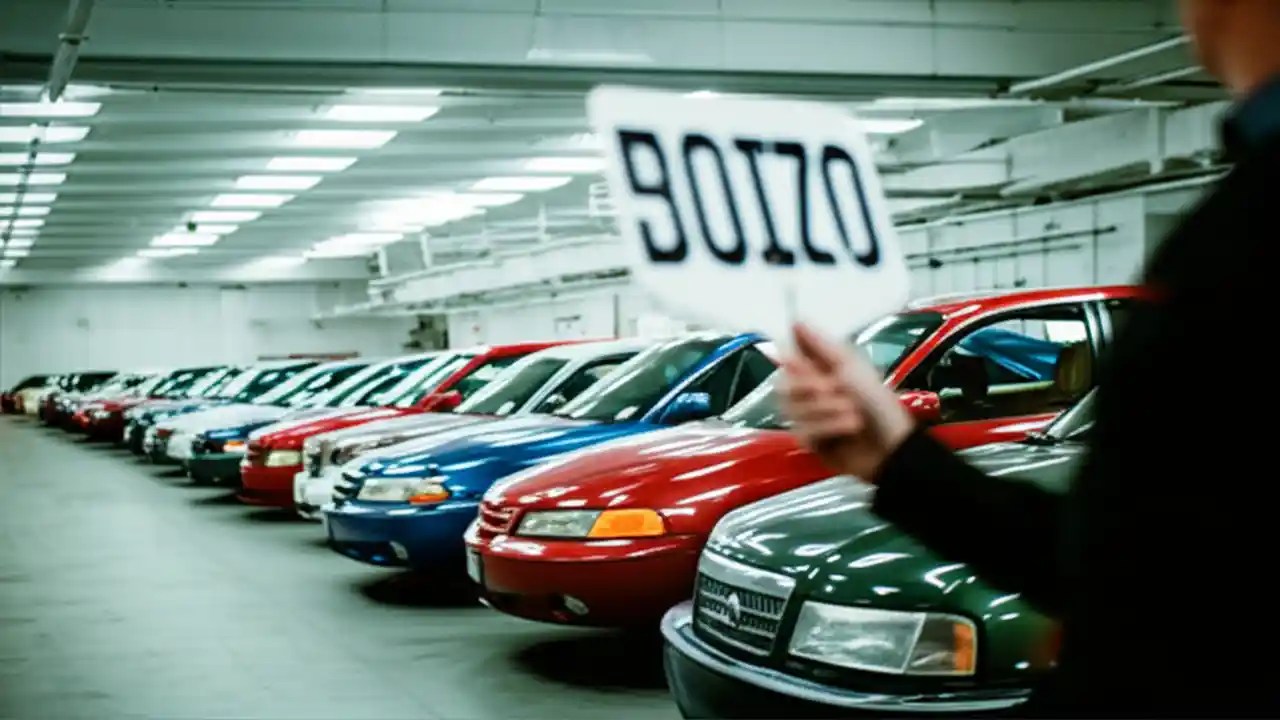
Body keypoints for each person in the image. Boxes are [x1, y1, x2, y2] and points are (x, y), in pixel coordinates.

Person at [779, 1, 1280, 716]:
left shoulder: (1246, 234)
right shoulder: (1239, 211)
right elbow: (1140, 566)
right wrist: (894, 456)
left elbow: (1162, 611)